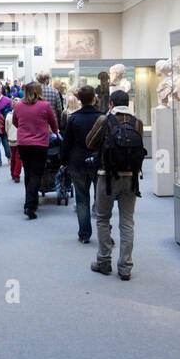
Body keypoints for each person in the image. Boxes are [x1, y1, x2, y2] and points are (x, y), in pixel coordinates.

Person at [85, 89, 146, 280]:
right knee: (127, 222)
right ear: (128, 103)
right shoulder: (137, 122)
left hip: (107, 176)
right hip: (131, 178)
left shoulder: (105, 120)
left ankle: (104, 261)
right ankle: (125, 267)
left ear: (111, 104)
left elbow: (89, 143)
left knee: (103, 218)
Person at [60, 84, 104, 244]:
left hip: (77, 162)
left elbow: (67, 143)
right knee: (101, 198)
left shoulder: (74, 119)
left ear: (80, 100)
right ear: (94, 99)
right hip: (98, 161)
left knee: (81, 198)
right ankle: (104, 231)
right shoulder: (102, 118)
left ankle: (84, 234)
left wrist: (63, 161)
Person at [11, 80, 59, 219]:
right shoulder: (45, 106)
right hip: (40, 143)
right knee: (36, 174)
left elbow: (15, 121)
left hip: (23, 143)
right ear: (39, 91)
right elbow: (53, 122)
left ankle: (31, 202)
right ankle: (30, 205)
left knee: (28, 172)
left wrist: (23, 128)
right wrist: (55, 131)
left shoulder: (19, 105)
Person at [6, 94, 22, 182]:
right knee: (18, 157)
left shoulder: (8, 115)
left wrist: (9, 135)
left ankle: (12, 173)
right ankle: (16, 175)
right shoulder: (22, 115)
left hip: (11, 139)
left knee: (13, 157)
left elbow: (6, 128)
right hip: (19, 139)